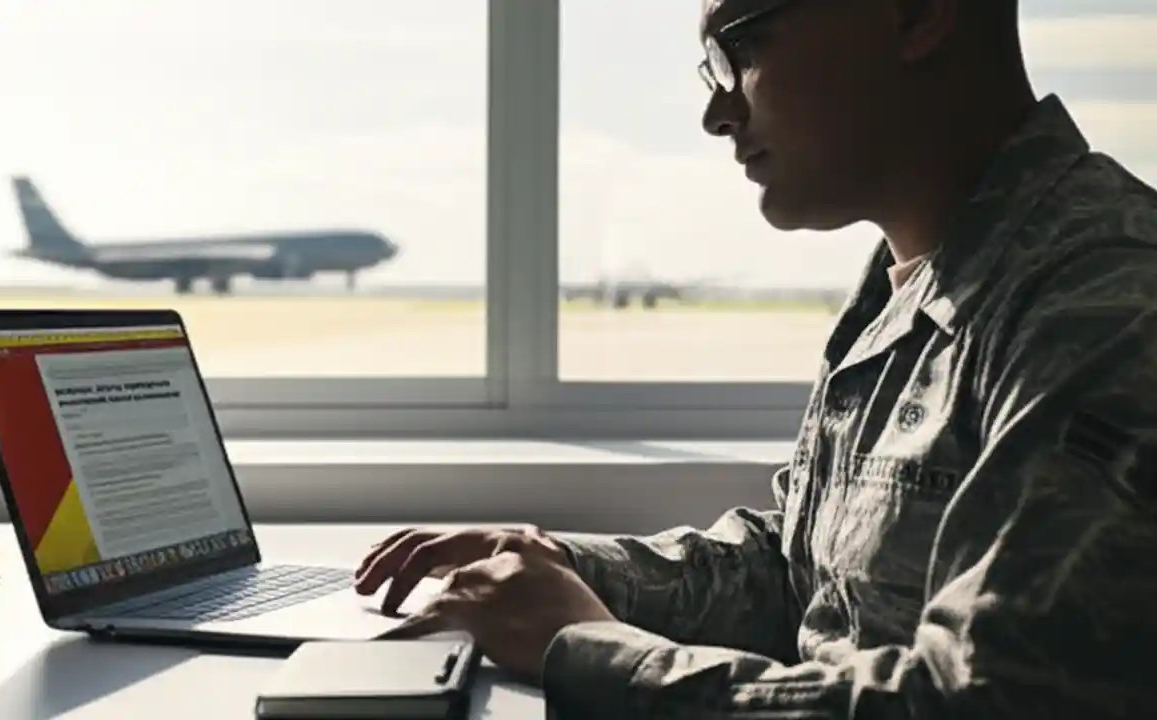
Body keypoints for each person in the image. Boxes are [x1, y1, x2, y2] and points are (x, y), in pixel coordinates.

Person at [356, 0, 1157, 716]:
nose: (716, 109)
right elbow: (804, 578)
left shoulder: (1106, 299)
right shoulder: (904, 285)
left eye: (740, 46)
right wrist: (561, 569)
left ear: (915, 15)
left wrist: (585, 646)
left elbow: (985, 701)